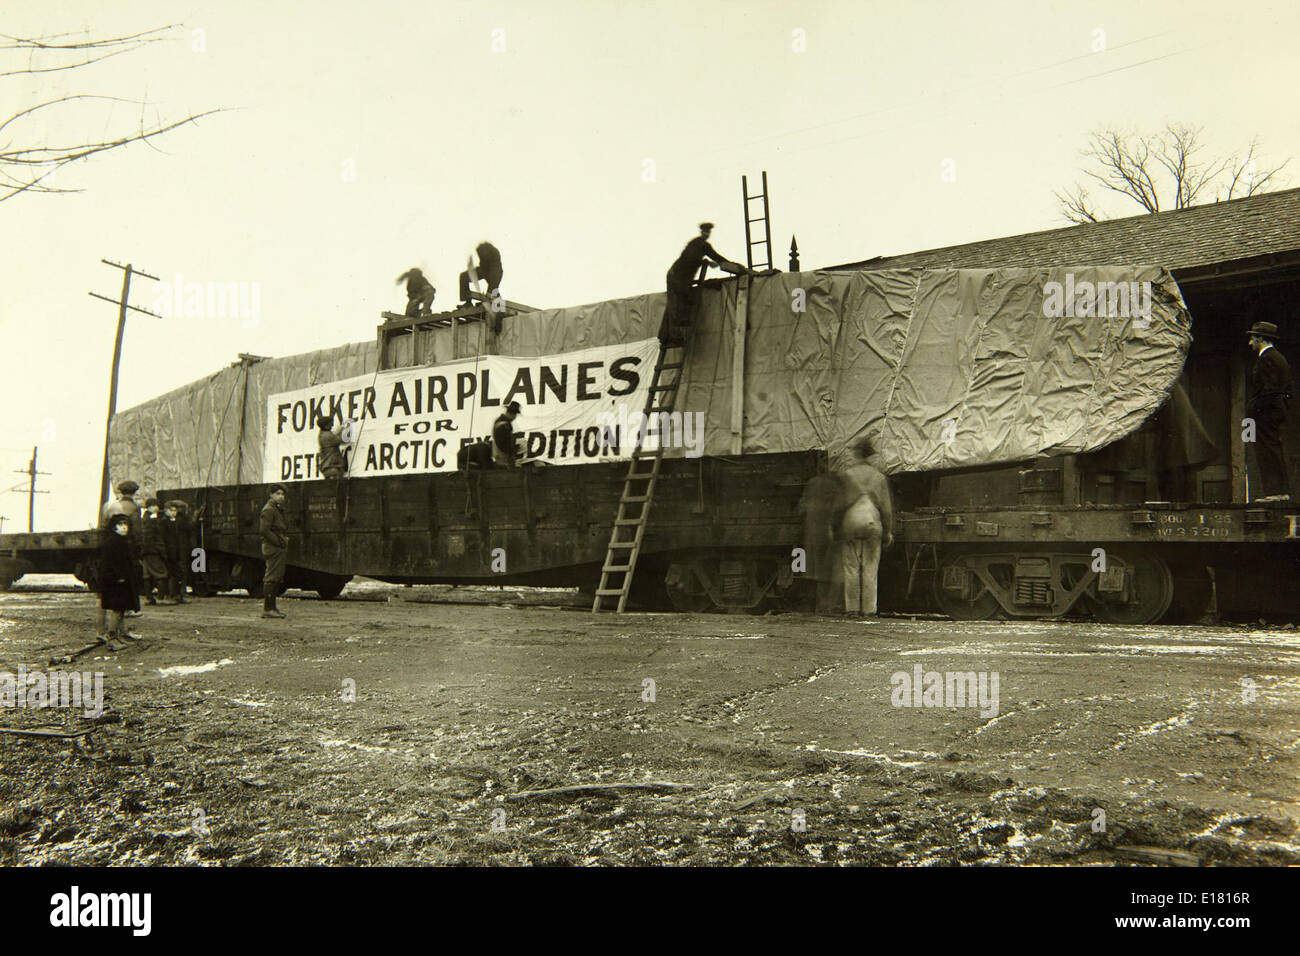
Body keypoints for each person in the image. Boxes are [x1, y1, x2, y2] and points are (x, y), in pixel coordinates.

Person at [799, 437, 894, 615]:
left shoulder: (847, 475)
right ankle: (869, 611)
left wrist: (833, 527)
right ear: (870, 456)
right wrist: (887, 532)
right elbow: (886, 510)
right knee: (870, 568)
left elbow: (839, 506)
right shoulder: (879, 478)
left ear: (857, 455)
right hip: (872, 519)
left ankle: (852, 610)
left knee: (851, 567)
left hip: (851, 521)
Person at [660, 222, 744, 347]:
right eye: (705, 232)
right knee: (675, 306)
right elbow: (689, 259)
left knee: (680, 304)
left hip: (684, 279)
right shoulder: (694, 244)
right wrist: (706, 262)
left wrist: (730, 264)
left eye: (708, 232)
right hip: (676, 276)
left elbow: (716, 256)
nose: (706, 234)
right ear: (702, 232)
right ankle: (670, 337)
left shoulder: (704, 246)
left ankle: (673, 335)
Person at [1247, 321, 1291, 501]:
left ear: (1260, 339)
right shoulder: (1278, 358)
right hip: (1271, 411)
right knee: (1272, 449)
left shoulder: (1268, 359)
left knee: (1267, 450)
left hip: (1265, 413)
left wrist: (1253, 410)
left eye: (1252, 338)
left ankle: (1275, 492)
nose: (1250, 343)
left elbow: (1269, 390)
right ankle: (1279, 492)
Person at [98, 479, 140, 636]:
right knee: (123, 599)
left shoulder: (109, 506)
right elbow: (136, 531)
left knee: (114, 601)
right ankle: (114, 633)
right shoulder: (133, 507)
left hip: (110, 546)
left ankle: (112, 631)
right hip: (125, 550)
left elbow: (103, 525)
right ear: (134, 492)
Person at [259, 485, 289, 619]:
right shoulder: (269, 509)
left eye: (283, 494)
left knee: (276, 577)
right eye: (278, 493)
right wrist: (279, 541)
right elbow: (264, 530)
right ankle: (268, 609)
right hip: (273, 547)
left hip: (277, 547)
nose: (281, 496)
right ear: (271, 495)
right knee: (272, 577)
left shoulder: (275, 508)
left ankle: (272, 608)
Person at [138, 498, 169, 605]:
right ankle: (160, 598)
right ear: (149, 507)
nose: (156, 507)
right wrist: (162, 552)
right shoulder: (151, 520)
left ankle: (149, 598)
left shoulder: (143, 519)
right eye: (154, 505)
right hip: (153, 551)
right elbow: (156, 538)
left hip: (145, 552)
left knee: (147, 575)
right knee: (162, 574)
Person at [458, 241, 504, 309]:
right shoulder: (482, 253)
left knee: (492, 293)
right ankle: (468, 303)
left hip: (495, 273)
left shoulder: (495, 268)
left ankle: (497, 304)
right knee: (463, 277)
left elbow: (494, 283)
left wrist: (490, 293)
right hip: (484, 270)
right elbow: (480, 267)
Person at [492, 401, 522, 468]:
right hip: (503, 456)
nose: (515, 417)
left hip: (501, 455)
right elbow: (501, 442)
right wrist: (511, 451)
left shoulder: (501, 422)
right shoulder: (503, 425)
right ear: (512, 414)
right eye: (515, 415)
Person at [317, 413, 347, 479]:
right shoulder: (327, 435)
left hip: (329, 467)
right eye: (331, 423)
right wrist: (348, 427)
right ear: (326, 425)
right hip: (331, 467)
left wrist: (342, 427)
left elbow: (335, 436)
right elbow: (343, 440)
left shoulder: (323, 434)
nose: (332, 425)